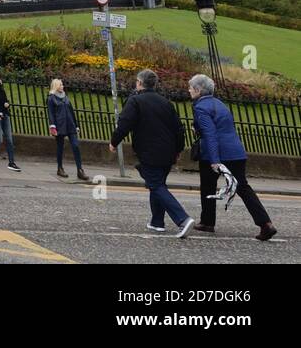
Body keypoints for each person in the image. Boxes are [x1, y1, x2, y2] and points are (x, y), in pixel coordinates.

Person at [189, 74, 277, 242]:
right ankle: (266, 223)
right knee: (243, 187)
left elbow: (210, 134)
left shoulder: (200, 107)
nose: (189, 90)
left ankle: (207, 222)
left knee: (207, 186)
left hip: (214, 154)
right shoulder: (220, 104)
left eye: (191, 88)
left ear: (198, 90)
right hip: (236, 152)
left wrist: (215, 160)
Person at [110, 69, 193, 237]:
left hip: (149, 152)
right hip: (168, 152)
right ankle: (157, 222)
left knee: (155, 185)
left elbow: (124, 123)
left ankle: (182, 219)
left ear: (140, 83)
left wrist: (114, 142)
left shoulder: (135, 101)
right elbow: (179, 129)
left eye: (137, 82)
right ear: (154, 84)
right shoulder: (166, 102)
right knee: (158, 185)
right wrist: (178, 149)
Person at [47, 79, 87, 180]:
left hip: (70, 124)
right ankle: (60, 168)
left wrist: (76, 125)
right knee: (60, 147)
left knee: (76, 146)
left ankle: (80, 170)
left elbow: (71, 111)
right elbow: (51, 113)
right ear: (56, 86)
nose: (62, 86)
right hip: (59, 125)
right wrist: (52, 126)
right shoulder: (51, 98)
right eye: (60, 85)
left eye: (62, 85)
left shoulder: (65, 96)